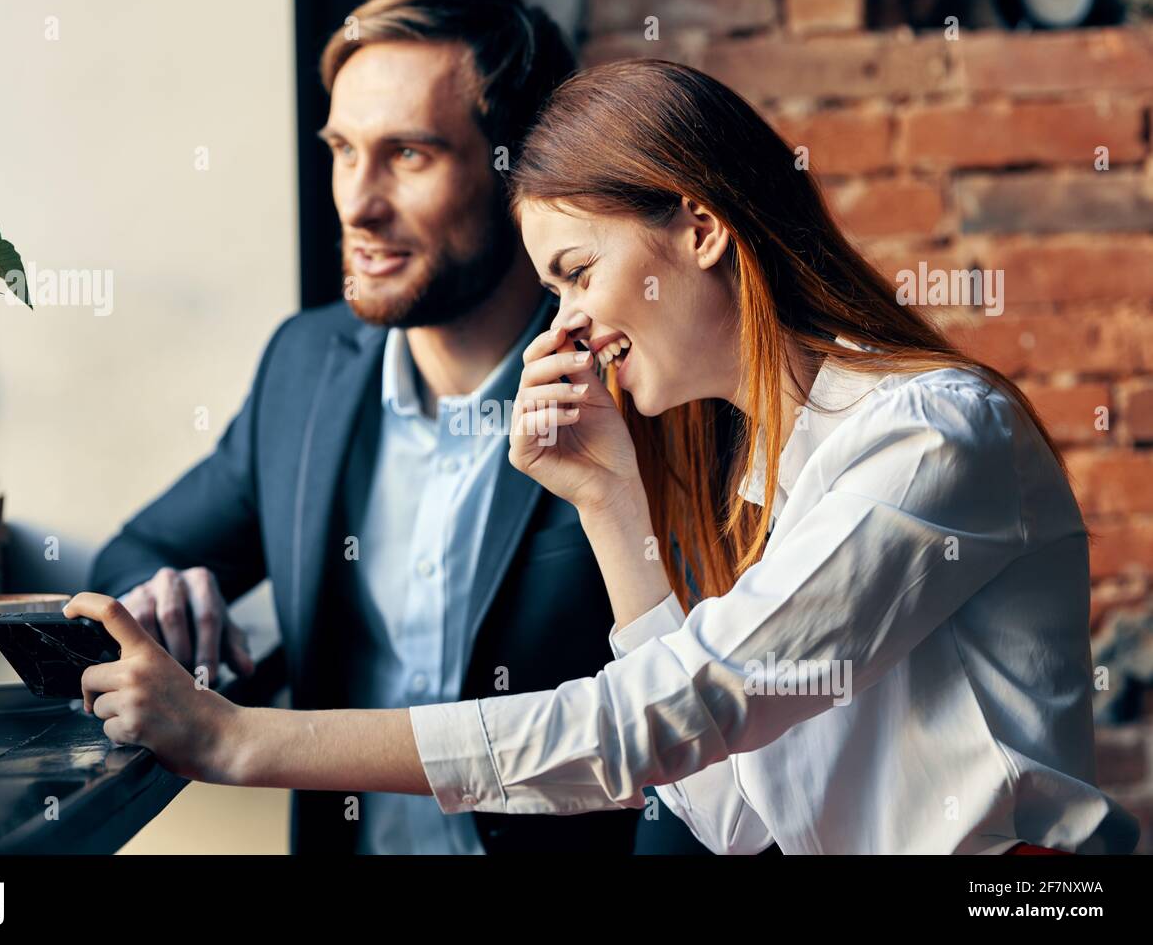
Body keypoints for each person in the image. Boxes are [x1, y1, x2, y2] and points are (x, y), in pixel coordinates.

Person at [70, 58, 1140, 854]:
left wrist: (239, 741)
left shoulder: (927, 437)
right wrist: (606, 498)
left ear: (702, 230)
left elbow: (662, 719)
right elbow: (721, 807)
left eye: (579, 272)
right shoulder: (772, 463)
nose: (570, 325)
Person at [85, 0, 682, 855]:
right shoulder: (304, 366)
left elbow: (707, 729)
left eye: (407, 154)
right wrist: (171, 597)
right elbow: (132, 553)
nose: (357, 205)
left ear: (524, 173)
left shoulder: (643, 385)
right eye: (342, 151)